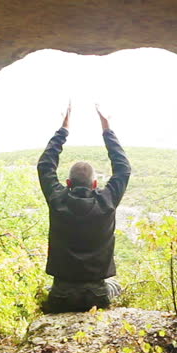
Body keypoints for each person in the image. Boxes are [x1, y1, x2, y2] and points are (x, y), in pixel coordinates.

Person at [37, 103, 131, 313]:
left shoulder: (57, 199)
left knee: (42, 289)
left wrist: (63, 130)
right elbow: (123, 169)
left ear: (68, 184)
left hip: (60, 294)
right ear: (95, 184)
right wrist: (107, 129)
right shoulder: (106, 201)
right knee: (117, 287)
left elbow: (45, 165)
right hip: (97, 295)